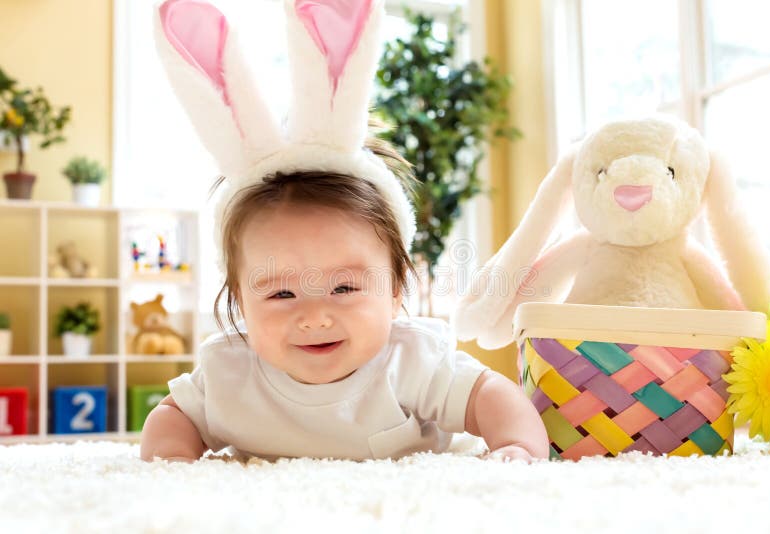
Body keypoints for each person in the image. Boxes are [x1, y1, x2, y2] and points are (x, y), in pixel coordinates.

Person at [140, 0, 548, 463]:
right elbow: (173, 416)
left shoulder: (409, 361)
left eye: (344, 287)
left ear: (396, 290)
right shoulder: (227, 373)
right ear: (239, 300)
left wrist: (516, 446)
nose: (315, 316)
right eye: (280, 295)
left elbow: (489, 396)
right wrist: (172, 458)